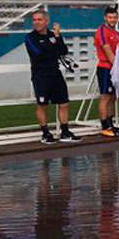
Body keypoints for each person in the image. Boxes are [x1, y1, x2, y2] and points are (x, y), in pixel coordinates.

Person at [25, 10, 79, 144]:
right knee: (43, 105)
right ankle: (45, 133)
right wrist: (53, 46)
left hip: (55, 73)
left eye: (39, 20)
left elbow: (63, 51)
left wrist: (58, 37)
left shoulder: (53, 35)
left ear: (47, 21)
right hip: (40, 76)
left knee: (64, 103)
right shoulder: (30, 37)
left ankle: (65, 132)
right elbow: (38, 54)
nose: (36, 22)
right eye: (34, 20)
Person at [94, 6, 119, 138]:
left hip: (113, 68)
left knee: (113, 97)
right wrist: (117, 67)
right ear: (105, 18)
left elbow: (117, 50)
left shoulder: (115, 33)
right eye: (110, 17)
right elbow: (107, 51)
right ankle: (104, 126)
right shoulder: (102, 31)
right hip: (105, 68)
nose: (112, 20)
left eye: (115, 17)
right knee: (105, 97)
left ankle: (111, 124)